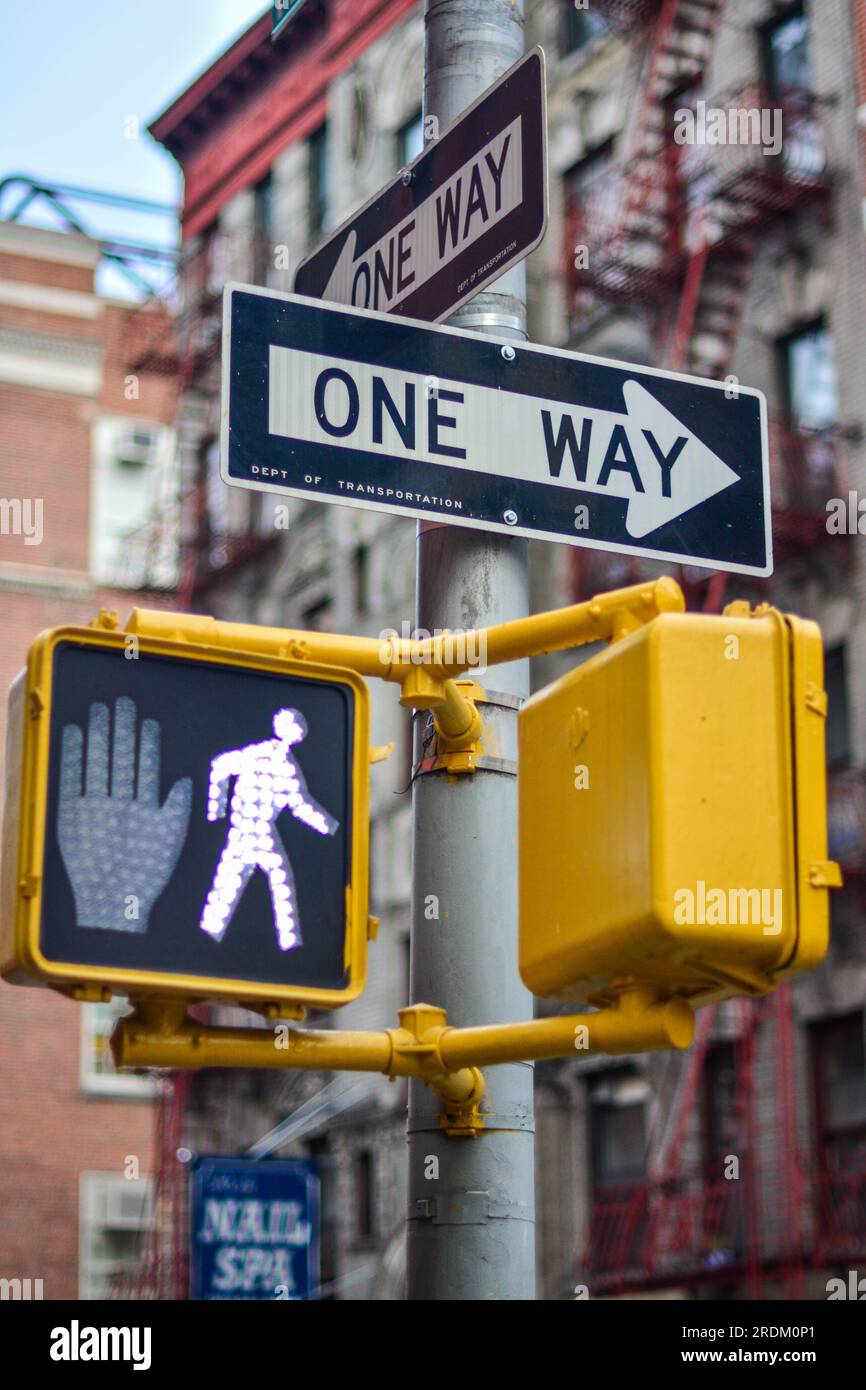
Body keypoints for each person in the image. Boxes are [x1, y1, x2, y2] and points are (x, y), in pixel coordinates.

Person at [199, 708, 338, 951]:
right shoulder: (256, 754)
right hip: (244, 828)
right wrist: (215, 810)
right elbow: (219, 765)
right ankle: (209, 938)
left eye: (297, 731)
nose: (293, 734)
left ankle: (289, 945)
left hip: (262, 831)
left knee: (274, 877)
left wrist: (328, 826)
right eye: (291, 727)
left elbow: (299, 805)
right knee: (236, 881)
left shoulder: (288, 768)